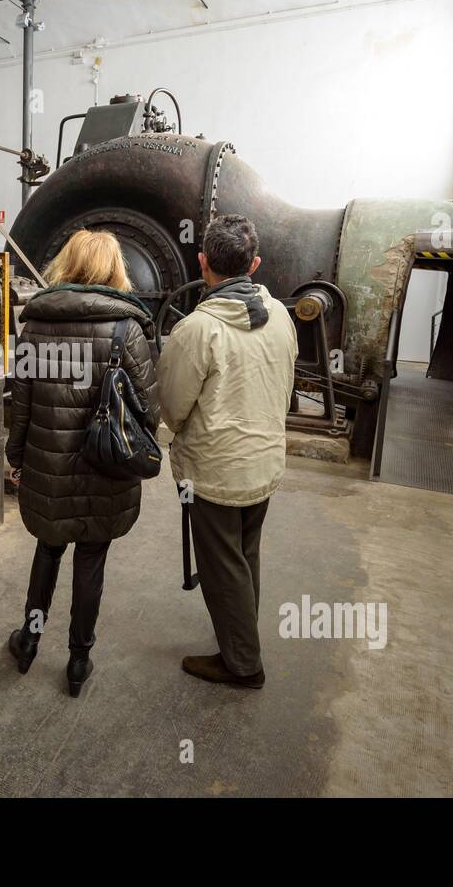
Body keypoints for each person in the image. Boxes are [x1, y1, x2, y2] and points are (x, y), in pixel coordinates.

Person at [5, 229, 159, 697]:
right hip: (105, 466)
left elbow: (22, 406)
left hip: (47, 468)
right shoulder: (127, 329)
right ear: (116, 268)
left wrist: (16, 459)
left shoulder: (36, 326)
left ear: (66, 264)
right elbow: (149, 412)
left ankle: (29, 641)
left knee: (48, 548)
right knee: (91, 558)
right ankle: (78, 660)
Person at [156, 214, 297, 688]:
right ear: (254, 263)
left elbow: (174, 407)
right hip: (264, 464)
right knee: (245, 553)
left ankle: (242, 664)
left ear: (202, 263)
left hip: (214, 474)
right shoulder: (280, 316)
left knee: (220, 567)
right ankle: (242, 636)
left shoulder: (196, 329)